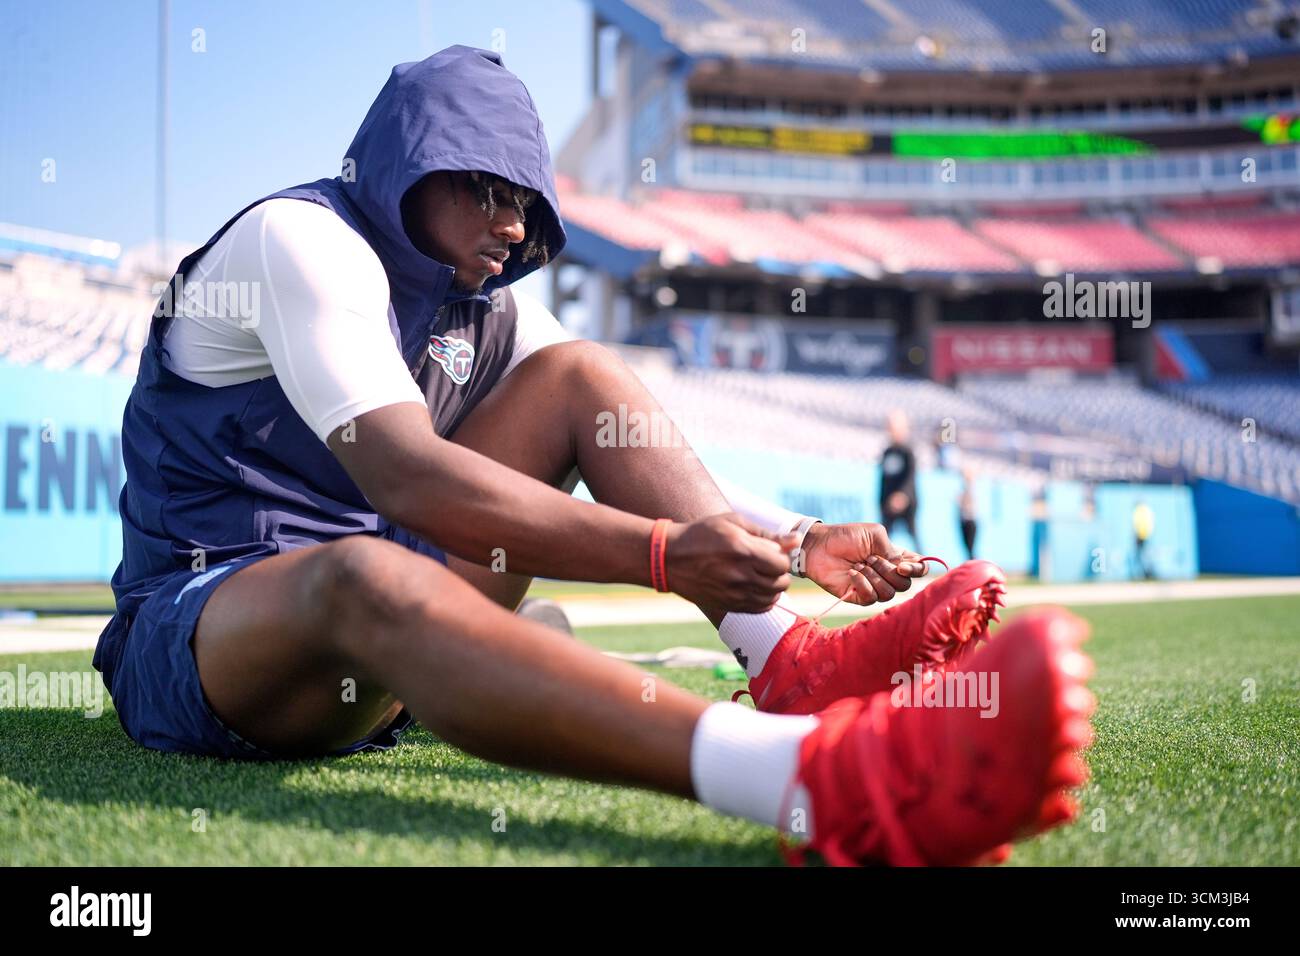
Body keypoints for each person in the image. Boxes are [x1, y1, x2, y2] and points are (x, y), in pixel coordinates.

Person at [91, 46, 1093, 866]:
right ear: (408, 168)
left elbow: (613, 431)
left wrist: (795, 538)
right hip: (209, 631)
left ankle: (787, 657)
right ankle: (808, 776)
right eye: (487, 187)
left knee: (582, 375)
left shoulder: (480, 304)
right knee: (367, 569)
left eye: (526, 200)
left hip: (377, 626)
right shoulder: (296, 239)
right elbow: (407, 476)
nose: (515, 224)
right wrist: (661, 552)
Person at [879, 410, 921, 552]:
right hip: (888, 500)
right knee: (884, 533)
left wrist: (902, 495)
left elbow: (910, 476)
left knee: (913, 532)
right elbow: (884, 479)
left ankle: (923, 562)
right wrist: (883, 499)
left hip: (906, 500)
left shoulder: (908, 451)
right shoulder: (887, 451)